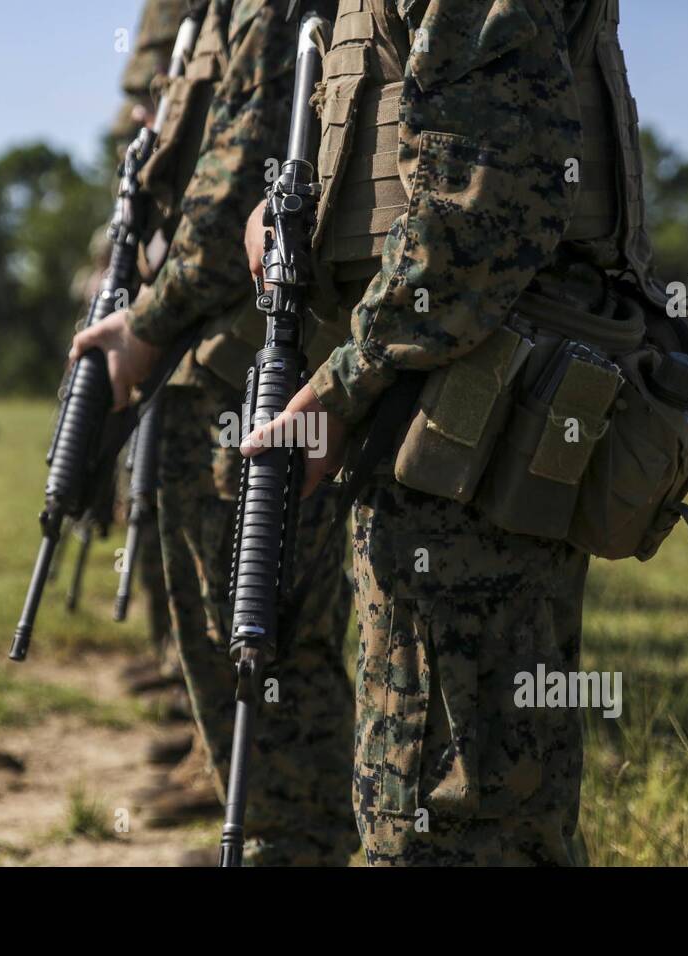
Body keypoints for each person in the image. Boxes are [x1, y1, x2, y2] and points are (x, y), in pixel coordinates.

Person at [231, 0, 665, 865]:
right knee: (465, 788)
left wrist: (339, 388)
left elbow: (486, 202)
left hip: (472, 410)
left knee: (450, 810)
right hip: (432, 398)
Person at [71, 0, 359, 865]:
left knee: (269, 612)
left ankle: (292, 838)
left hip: (259, 343)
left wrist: (151, 321)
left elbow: (240, 172)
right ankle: (269, 819)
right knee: (226, 600)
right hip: (227, 342)